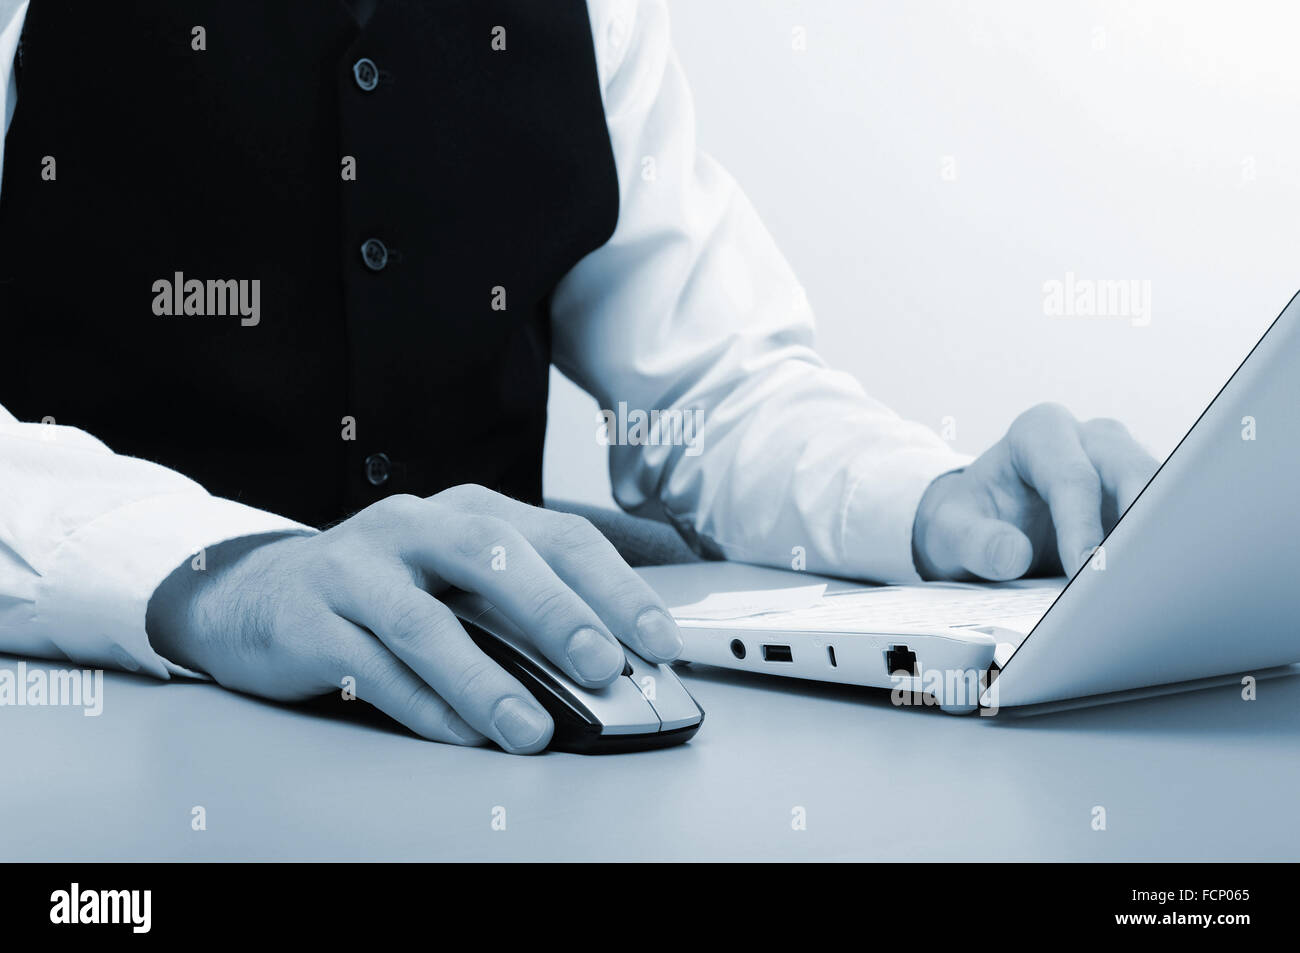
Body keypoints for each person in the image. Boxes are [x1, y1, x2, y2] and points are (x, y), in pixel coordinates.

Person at [0, 0, 1156, 753]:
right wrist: (218, 575)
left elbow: (712, 389)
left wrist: (934, 498)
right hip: (98, 748)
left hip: (503, 749)